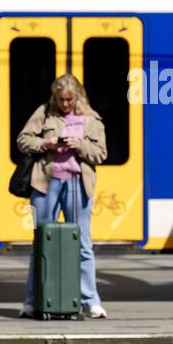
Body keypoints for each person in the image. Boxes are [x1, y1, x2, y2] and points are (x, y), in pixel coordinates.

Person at [16, 74, 108, 318]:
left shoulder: (91, 118)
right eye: (61, 99)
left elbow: (101, 154)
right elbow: (23, 141)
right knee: (40, 242)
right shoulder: (44, 112)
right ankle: (32, 300)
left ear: (77, 95)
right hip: (45, 184)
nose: (65, 104)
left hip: (78, 184)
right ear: (54, 97)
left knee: (83, 244)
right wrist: (46, 144)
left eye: (69, 99)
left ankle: (91, 301)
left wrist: (80, 145)